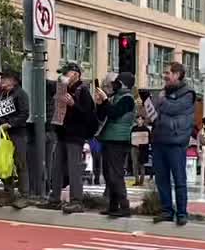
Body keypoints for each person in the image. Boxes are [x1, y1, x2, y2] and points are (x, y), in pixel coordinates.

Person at [40, 63, 97, 214]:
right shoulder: (63, 89)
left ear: (76, 74)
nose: (64, 76)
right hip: (62, 134)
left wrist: (73, 104)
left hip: (75, 136)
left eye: (67, 73)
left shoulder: (82, 91)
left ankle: (76, 200)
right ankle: (54, 198)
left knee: (74, 169)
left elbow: (88, 115)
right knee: (56, 168)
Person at [150, 62, 198, 226]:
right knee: (161, 179)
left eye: (167, 72)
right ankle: (167, 210)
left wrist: (161, 102)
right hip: (159, 140)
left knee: (179, 179)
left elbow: (174, 108)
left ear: (177, 74)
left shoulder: (188, 94)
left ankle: (182, 213)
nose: (164, 76)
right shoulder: (163, 94)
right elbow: (156, 112)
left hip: (176, 141)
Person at [96, 71, 136, 218]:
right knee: (108, 173)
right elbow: (103, 115)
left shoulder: (127, 99)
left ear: (123, 84)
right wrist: (100, 104)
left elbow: (113, 113)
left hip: (119, 140)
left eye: (117, 81)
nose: (113, 84)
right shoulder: (115, 97)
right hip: (108, 138)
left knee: (116, 174)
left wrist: (105, 101)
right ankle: (113, 206)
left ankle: (124, 206)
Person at [0, 70, 32, 207]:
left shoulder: (20, 94)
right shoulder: (2, 95)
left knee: (20, 163)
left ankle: (24, 195)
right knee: (6, 164)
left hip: (18, 133)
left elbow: (24, 114)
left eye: (6, 78)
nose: (2, 80)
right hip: (4, 134)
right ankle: (8, 192)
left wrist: (10, 123)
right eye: (2, 78)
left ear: (14, 80)